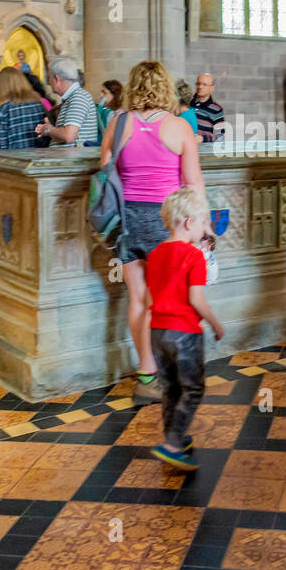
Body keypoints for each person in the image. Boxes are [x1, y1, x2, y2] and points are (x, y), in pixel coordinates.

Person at [101, 61, 205, 403]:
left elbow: (106, 171)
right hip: (167, 221)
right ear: (165, 87)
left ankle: (146, 376)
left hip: (126, 219)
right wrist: (202, 228)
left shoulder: (116, 124)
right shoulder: (178, 127)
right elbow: (192, 183)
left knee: (138, 298)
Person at [146, 187, 225, 471]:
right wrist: (216, 324)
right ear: (190, 223)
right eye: (204, 223)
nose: (207, 230)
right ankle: (172, 444)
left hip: (156, 332)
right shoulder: (194, 257)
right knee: (193, 389)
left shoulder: (155, 255)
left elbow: (147, 298)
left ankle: (173, 436)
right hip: (184, 333)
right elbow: (196, 299)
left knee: (170, 388)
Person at [37, 57, 99, 147]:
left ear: (57, 78)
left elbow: (68, 136)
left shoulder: (78, 97)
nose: (49, 83)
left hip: (73, 160)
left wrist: (48, 129)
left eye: (49, 79)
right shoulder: (72, 97)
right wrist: (50, 130)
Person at [0, 67, 46, 150]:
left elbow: (1, 144)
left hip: (16, 159)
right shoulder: (38, 104)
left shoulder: (5, 109)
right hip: (39, 156)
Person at [190, 73, 225, 143]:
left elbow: (221, 136)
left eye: (204, 84)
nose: (200, 87)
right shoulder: (187, 103)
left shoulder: (217, 110)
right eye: (198, 83)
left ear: (212, 88)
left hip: (203, 151)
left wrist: (203, 138)